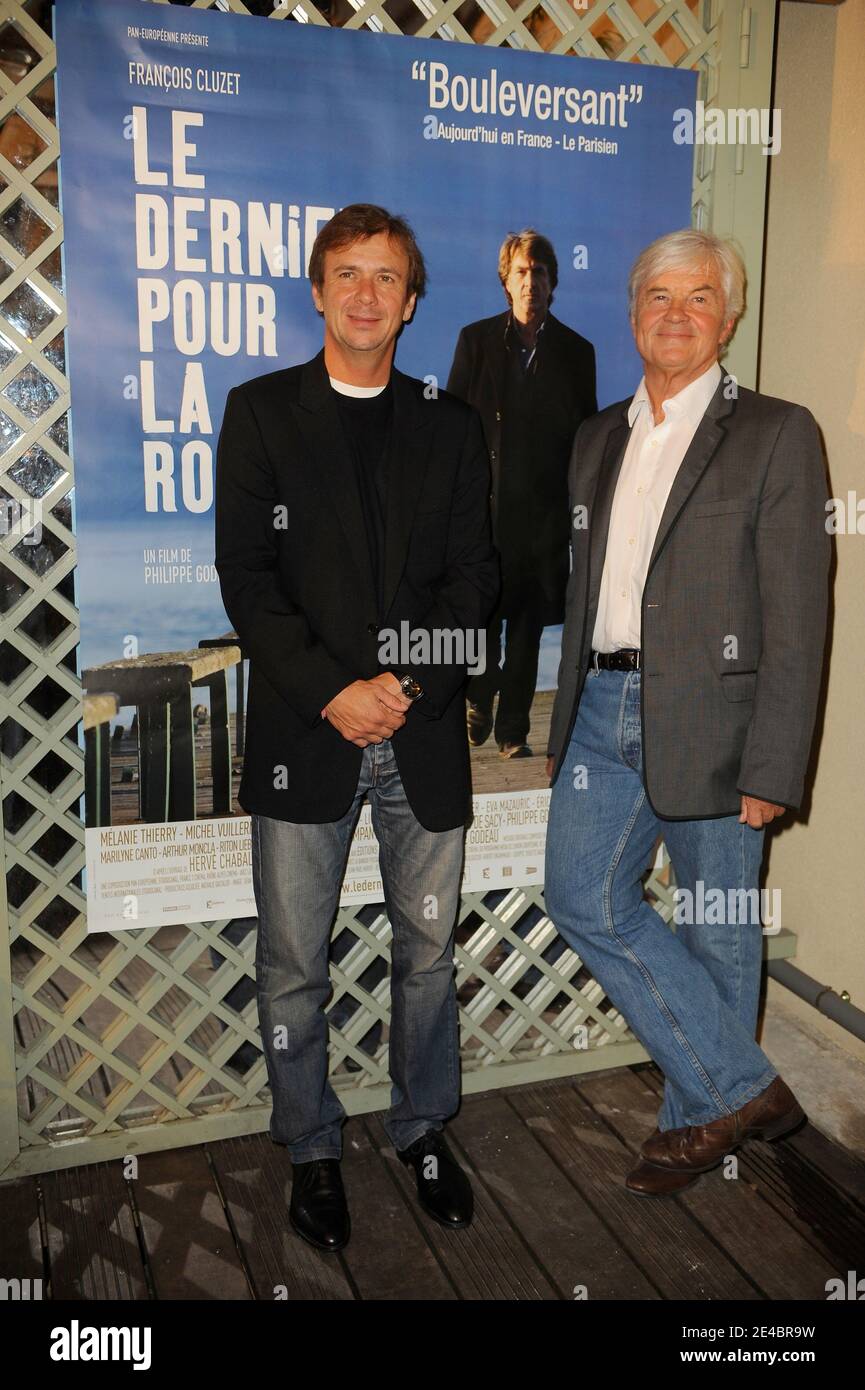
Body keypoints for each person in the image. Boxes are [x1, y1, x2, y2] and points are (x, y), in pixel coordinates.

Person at [215, 204, 499, 1250]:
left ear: (411, 301)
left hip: (419, 739)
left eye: (387, 277)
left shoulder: (450, 424)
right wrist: (337, 690)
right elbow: (248, 581)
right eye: (348, 273)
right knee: (295, 960)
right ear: (319, 289)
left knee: (426, 951)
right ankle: (311, 1144)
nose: (367, 293)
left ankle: (424, 1127)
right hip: (305, 732)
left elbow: (477, 580)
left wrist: (406, 685)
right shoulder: (261, 413)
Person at [543, 229, 830, 1197]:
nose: (674, 313)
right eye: (656, 296)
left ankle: (692, 1119)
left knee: (717, 925)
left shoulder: (776, 431)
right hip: (601, 707)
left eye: (696, 296)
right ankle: (741, 1088)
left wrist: (773, 762)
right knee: (580, 894)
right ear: (632, 314)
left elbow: (797, 613)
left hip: (721, 718)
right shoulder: (594, 436)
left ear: (728, 312)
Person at [447, 230, 597, 757]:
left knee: (528, 628)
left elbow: (586, 439)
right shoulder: (476, 341)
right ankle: (477, 697)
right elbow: (453, 424)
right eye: (521, 272)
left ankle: (513, 731)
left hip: (545, 519)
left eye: (539, 272)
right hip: (485, 512)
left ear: (553, 281)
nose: (530, 281)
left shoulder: (578, 353)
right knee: (484, 616)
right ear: (506, 282)